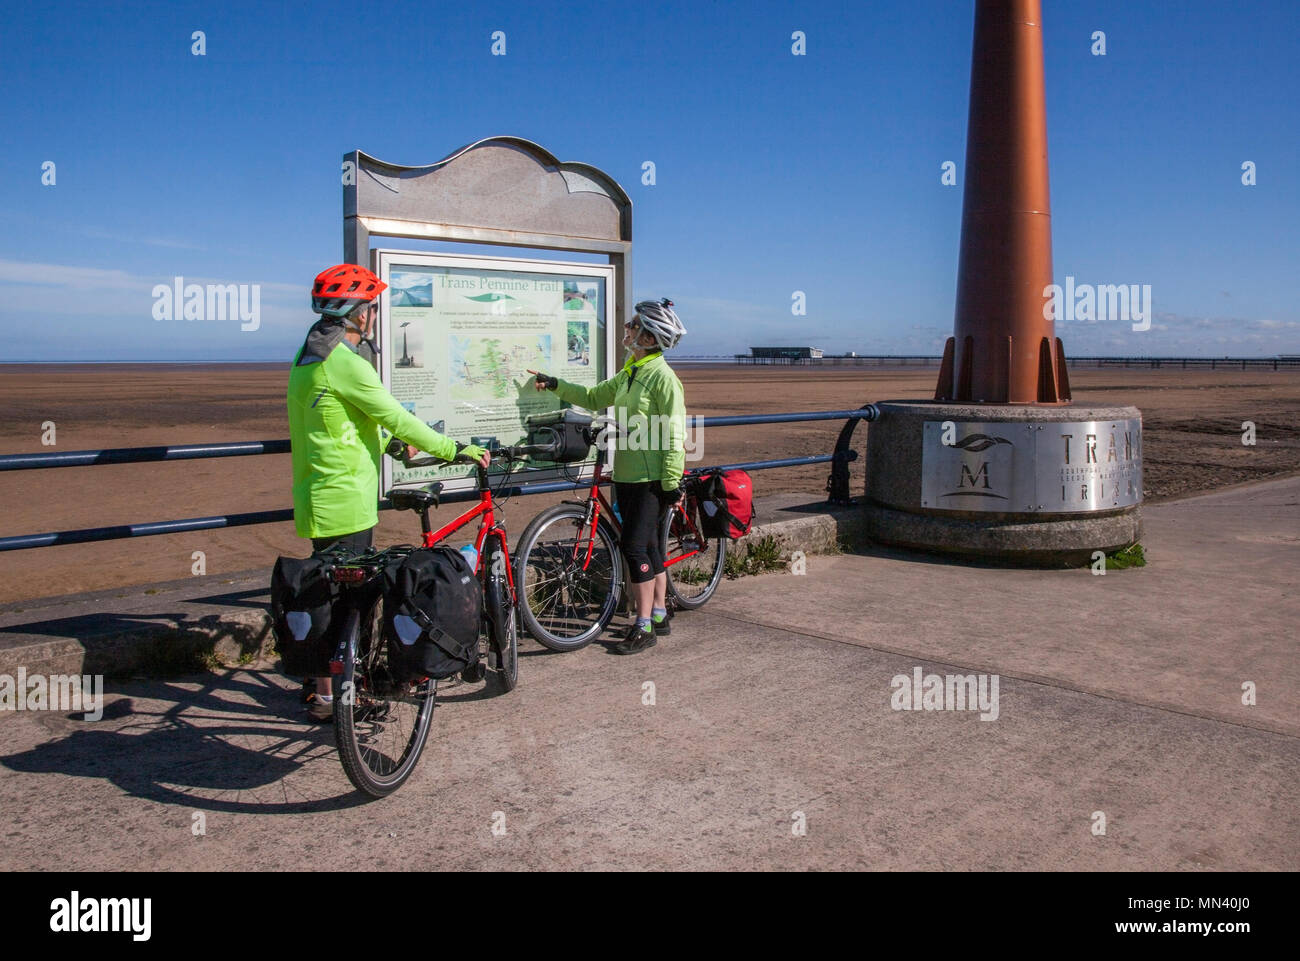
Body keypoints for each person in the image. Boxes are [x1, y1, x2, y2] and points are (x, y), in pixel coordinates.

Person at [287, 264, 489, 720]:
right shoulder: (346, 362)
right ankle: (336, 697)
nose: (374, 316)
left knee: (329, 596)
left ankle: (322, 687)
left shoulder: (310, 354)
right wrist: (455, 448)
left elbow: (344, 425)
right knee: (349, 603)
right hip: (345, 502)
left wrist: (390, 445)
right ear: (357, 313)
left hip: (319, 495)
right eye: (371, 308)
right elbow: (396, 416)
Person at [528, 298, 687, 655]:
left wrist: (671, 482)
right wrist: (555, 384)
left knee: (633, 547)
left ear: (649, 336)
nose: (627, 330)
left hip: (651, 479)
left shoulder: (664, 379)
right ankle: (659, 614)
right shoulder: (632, 372)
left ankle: (642, 625)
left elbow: (675, 434)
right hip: (627, 475)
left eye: (633, 325)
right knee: (648, 547)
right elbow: (592, 396)